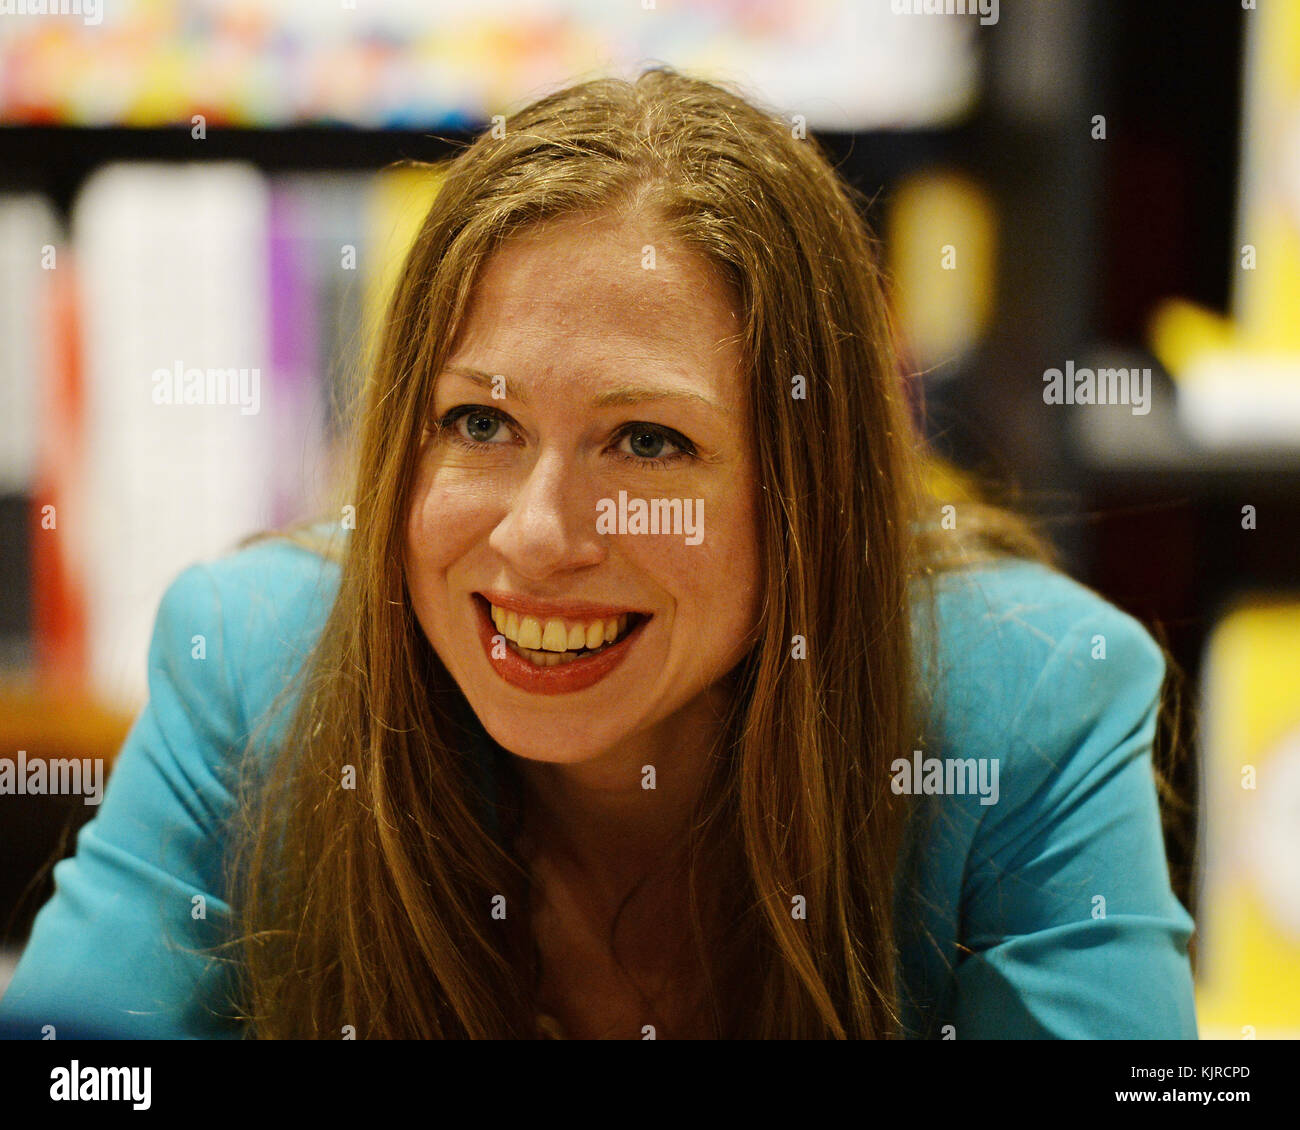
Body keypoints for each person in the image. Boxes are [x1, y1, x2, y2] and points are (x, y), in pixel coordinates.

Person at [0, 67, 1197, 1039]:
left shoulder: (1031, 703)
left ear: (811, 491)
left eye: (646, 441)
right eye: (478, 422)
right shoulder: (250, 658)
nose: (535, 535)